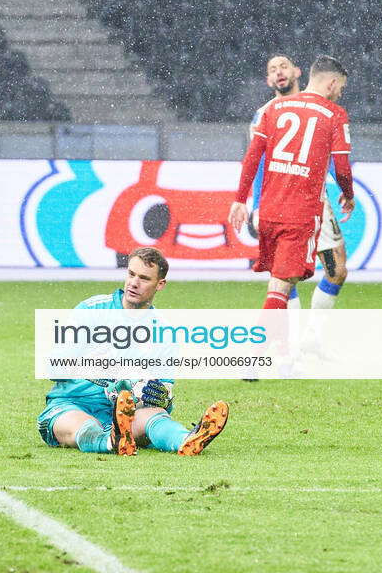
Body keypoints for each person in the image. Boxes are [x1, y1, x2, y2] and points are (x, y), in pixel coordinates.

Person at [37, 247, 229, 457]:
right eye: (131, 274)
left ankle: (187, 439)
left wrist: (161, 397)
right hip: (73, 404)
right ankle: (110, 441)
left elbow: (163, 393)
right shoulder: (91, 311)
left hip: (126, 414)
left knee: (155, 416)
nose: (134, 283)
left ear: (160, 284)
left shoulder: (164, 332)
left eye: (144, 278)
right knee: (83, 424)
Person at [230, 56, 355, 309]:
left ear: (298, 72)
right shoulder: (267, 112)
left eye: (283, 66)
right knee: (285, 279)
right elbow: (258, 159)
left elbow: (255, 157)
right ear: (268, 80)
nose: (279, 73)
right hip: (286, 202)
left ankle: (306, 340)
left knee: (334, 270)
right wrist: (254, 203)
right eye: (272, 70)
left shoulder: (285, 111)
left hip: (308, 201)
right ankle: (286, 342)